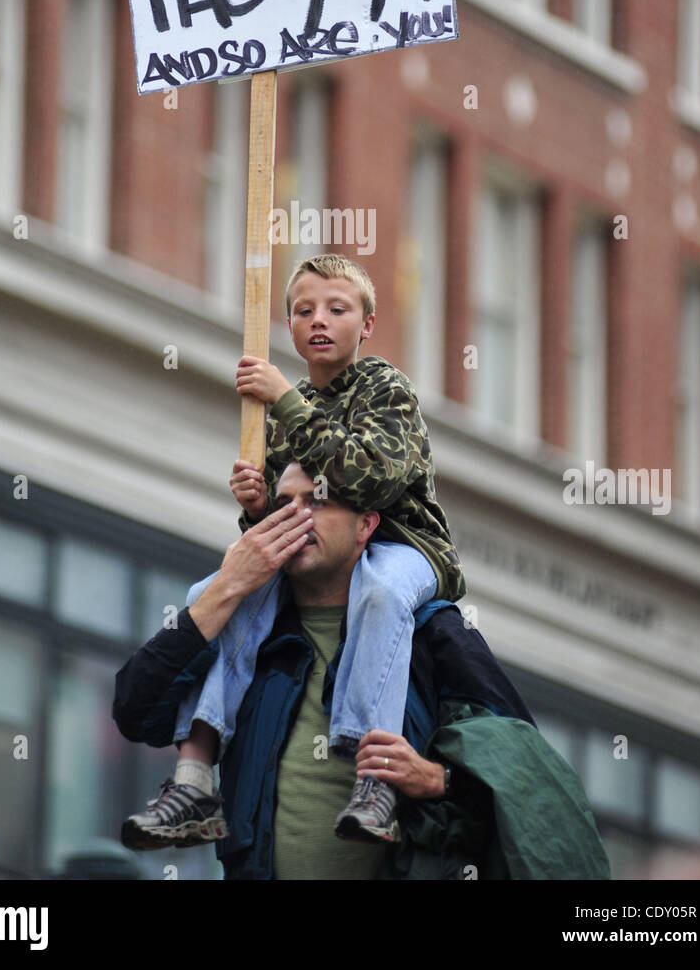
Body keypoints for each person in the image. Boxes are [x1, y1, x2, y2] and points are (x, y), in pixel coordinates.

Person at [112, 462, 612, 881]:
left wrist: (436, 779)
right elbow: (136, 711)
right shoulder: (250, 632)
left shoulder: (434, 637)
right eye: (285, 503)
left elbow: (525, 786)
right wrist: (225, 589)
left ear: (366, 525)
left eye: (319, 501)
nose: (298, 517)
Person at [120, 253, 464, 851]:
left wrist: (286, 402)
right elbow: (295, 505)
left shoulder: (386, 389)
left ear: (368, 323)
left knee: (380, 593)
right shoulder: (286, 407)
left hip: (402, 543)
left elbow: (370, 478)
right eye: (303, 310)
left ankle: (372, 774)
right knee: (216, 591)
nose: (319, 320)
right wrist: (256, 505)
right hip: (324, 551)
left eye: (337, 308)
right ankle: (196, 772)